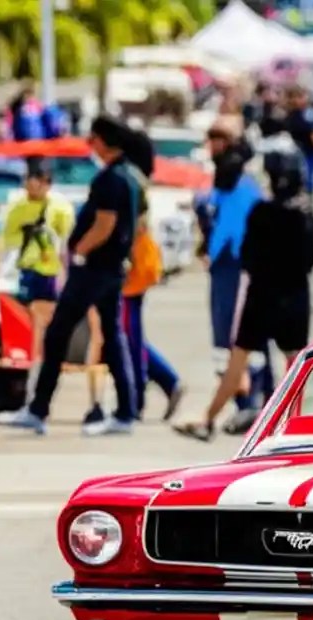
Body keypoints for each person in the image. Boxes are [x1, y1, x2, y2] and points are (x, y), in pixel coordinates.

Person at [0, 115, 140, 436]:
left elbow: (105, 223)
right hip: (110, 269)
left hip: (94, 270)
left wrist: (80, 251)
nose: (90, 145)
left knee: (58, 332)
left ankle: (38, 409)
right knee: (112, 336)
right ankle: (126, 411)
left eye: (93, 139)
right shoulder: (128, 177)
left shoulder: (110, 180)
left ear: (103, 141)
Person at [174, 145, 313, 441]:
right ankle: (295, 427)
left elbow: (248, 256)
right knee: (295, 366)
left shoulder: (262, 212)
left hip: (260, 297)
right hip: (295, 298)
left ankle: (208, 419)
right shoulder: (303, 212)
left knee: (236, 362)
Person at [201, 118, 268, 431]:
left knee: (243, 337)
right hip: (223, 267)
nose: (214, 144)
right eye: (211, 137)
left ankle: (256, 404)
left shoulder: (242, 183)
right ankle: (247, 403)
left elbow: (238, 229)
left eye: (221, 138)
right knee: (226, 340)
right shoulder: (222, 182)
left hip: (240, 268)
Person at [0, 158, 76, 404]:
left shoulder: (60, 209)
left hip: (48, 274)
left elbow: (66, 247)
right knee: (27, 329)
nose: (32, 186)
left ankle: (35, 390)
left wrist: (65, 276)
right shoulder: (16, 208)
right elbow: (2, 240)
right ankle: (30, 385)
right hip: (24, 272)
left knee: (40, 329)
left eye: (37, 181)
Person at [118, 128, 184, 420]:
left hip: (130, 268)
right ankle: (163, 382)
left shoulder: (130, 181)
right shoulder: (138, 180)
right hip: (137, 267)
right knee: (129, 331)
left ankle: (138, 396)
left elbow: (134, 227)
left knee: (126, 334)